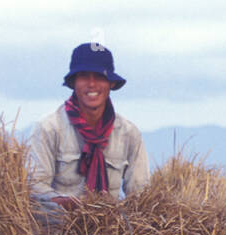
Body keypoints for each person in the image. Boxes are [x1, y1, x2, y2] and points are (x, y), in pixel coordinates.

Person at [29, 43, 150, 208]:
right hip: (58, 228)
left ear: (111, 84)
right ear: (74, 83)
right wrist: (68, 205)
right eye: (84, 76)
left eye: (100, 77)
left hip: (112, 227)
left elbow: (140, 193)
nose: (92, 84)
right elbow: (35, 188)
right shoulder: (48, 128)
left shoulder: (129, 134)